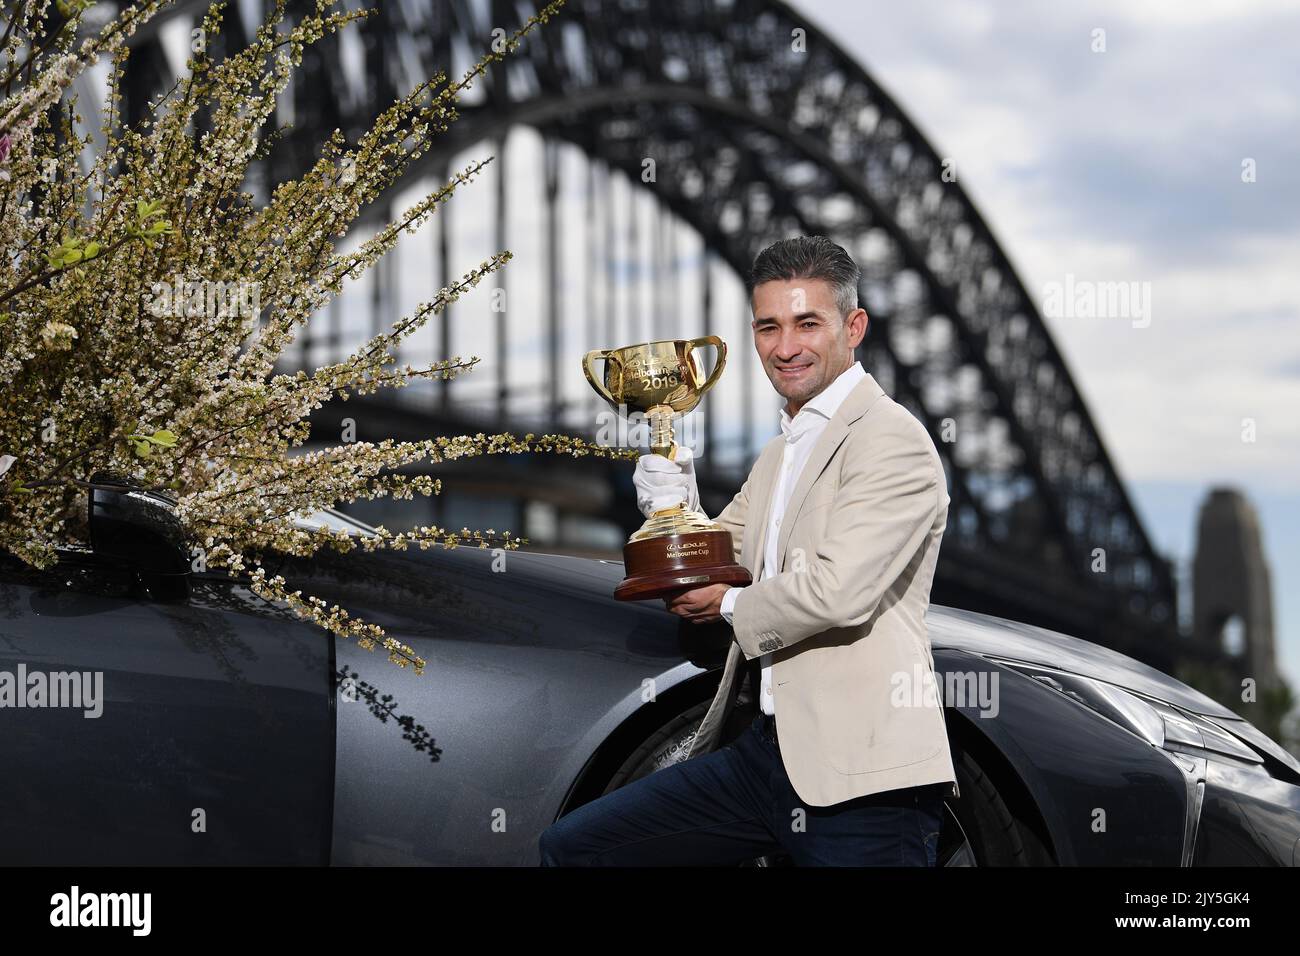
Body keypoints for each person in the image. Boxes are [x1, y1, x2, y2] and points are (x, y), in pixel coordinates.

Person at [539, 235, 957, 866]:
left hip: (864, 780)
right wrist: (673, 498)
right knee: (577, 851)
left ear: (854, 327)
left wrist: (727, 604)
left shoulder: (892, 440)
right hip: (766, 758)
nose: (785, 348)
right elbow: (720, 551)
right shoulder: (781, 451)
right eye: (768, 327)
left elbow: (837, 591)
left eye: (807, 324)